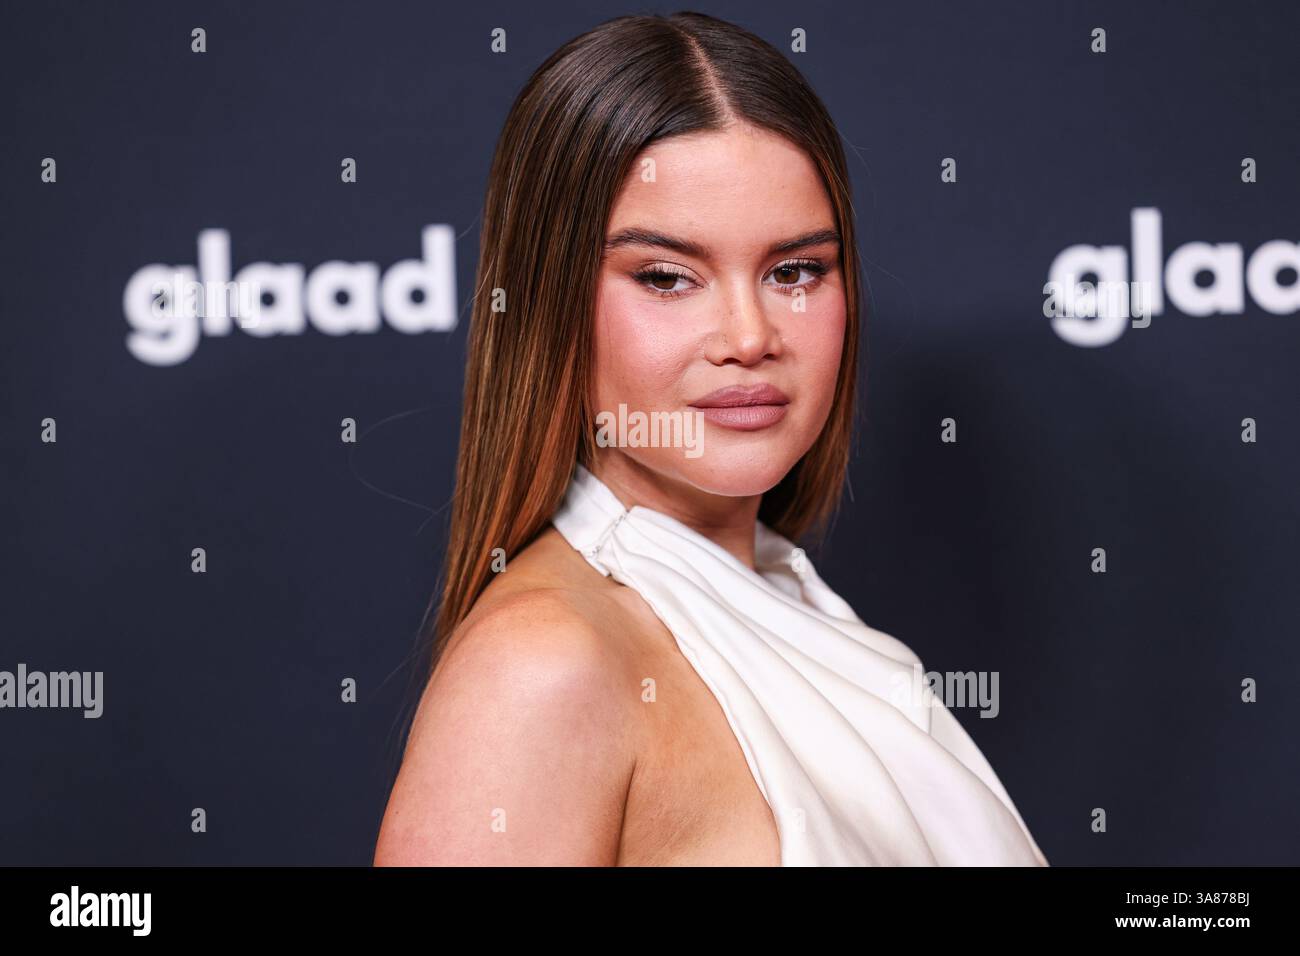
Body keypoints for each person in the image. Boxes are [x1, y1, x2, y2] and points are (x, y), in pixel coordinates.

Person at [374, 11, 1048, 866]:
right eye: (666, 277)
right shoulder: (544, 668)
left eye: (795, 270)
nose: (749, 334)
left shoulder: (793, 603)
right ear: (547, 307)